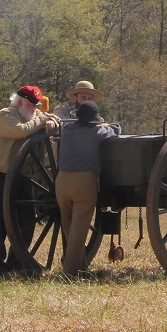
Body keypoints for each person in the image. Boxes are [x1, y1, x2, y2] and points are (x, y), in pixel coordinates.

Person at [0, 85, 58, 278]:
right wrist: (43, 120)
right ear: (20, 101)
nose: (35, 108)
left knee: (26, 223)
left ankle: (16, 264)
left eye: (37, 105)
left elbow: (52, 118)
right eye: (32, 104)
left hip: (21, 179)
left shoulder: (33, 115)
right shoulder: (5, 116)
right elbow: (19, 131)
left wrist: (52, 120)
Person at [55, 101, 117, 276]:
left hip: (62, 181)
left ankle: (81, 267)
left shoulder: (67, 130)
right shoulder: (97, 132)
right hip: (83, 182)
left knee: (68, 227)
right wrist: (104, 126)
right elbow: (115, 130)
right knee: (79, 230)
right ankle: (70, 272)